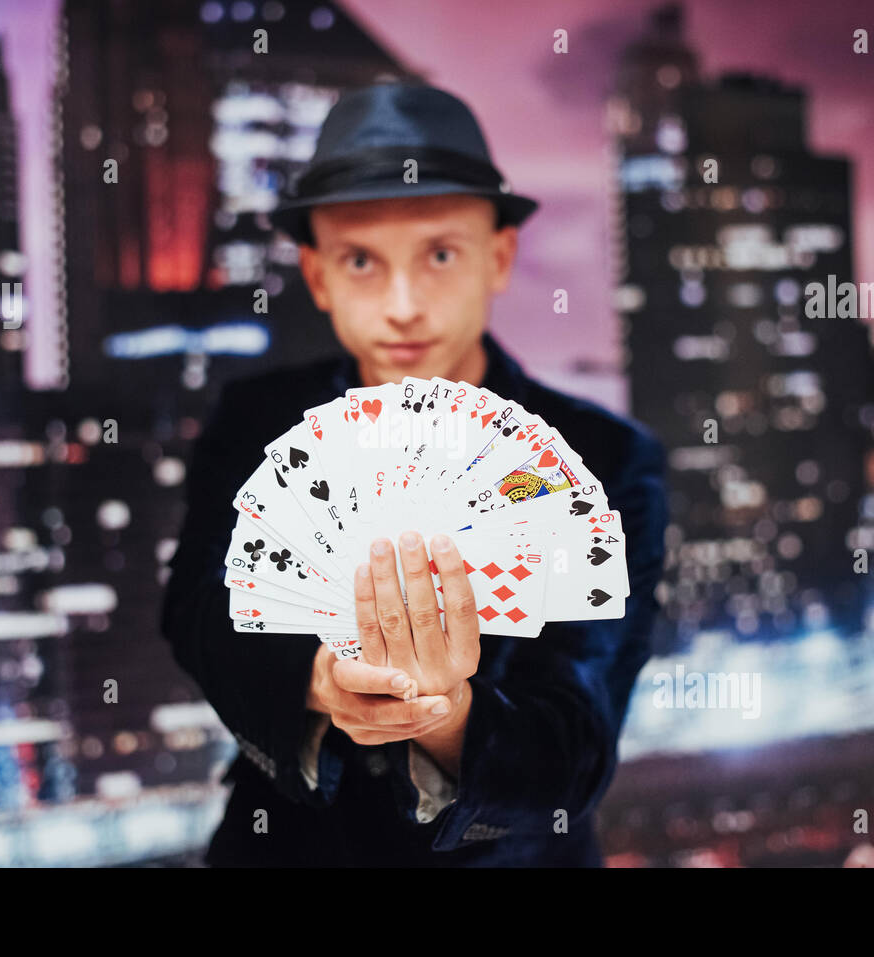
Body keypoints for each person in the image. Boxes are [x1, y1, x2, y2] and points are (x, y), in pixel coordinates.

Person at [160, 83, 667, 866]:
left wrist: (446, 717)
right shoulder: (256, 419)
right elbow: (196, 615)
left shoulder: (606, 458)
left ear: (498, 257)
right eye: (361, 260)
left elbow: (577, 734)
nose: (403, 305)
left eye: (439, 254)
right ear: (318, 275)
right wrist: (318, 680)